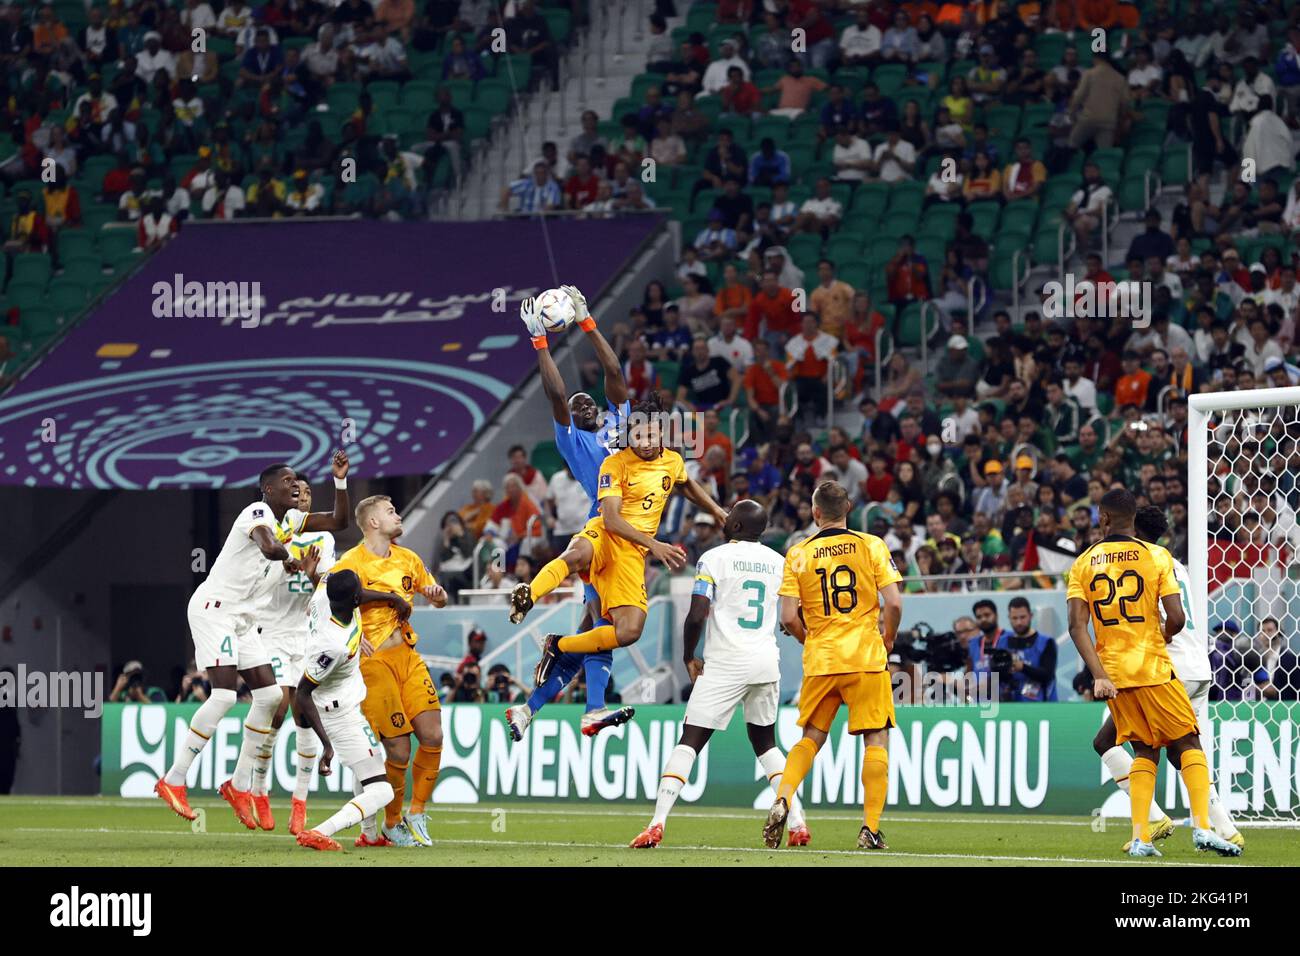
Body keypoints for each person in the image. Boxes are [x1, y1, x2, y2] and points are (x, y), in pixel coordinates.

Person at [153, 455, 352, 824]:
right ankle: (174, 778)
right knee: (226, 694)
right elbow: (269, 547)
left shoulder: (291, 520)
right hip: (215, 609)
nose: (295, 485)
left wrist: (340, 482)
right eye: (287, 481)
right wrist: (291, 558)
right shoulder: (256, 514)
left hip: (243, 619)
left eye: (298, 481)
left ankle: (239, 785)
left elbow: (338, 522)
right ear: (268, 489)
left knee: (271, 696)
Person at [1066, 488, 1240, 858]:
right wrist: (1157, 636)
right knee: (1187, 744)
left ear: (1103, 518)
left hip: (1117, 672)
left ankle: (1145, 835)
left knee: (1144, 748)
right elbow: (1176, 617)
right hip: (1167, 665)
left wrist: (1098, 673)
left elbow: (1076, 625)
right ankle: (1208, 827)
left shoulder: (1084, 562)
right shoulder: (1162, 559)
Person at [630, 500, 810, 848]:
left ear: (738, 527)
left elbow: (697, 614)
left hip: (726, 662)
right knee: (767, 745)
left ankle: (657, 823)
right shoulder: (780, 562)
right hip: (764, 662)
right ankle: (798, 824)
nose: (723, 519)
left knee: (689, 741)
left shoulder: (713, 558)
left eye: (729, 517)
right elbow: (792, 612)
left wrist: (688, 656)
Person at [507, 286, 637, 740]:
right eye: (577, 405)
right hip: (607, 529)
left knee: (596, 632)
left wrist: (588, 323)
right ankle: (591, 702)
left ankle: (530, 708)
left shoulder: (621, 424)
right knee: (604, 627)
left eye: (589, 401)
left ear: (600, 409)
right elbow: (557, 394)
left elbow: (614, 370)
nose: (582, 404)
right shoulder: (573, 442)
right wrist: (540, 342)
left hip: (630, 538)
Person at [516, 395, 727, 672]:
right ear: (630, 436)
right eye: (639, 437)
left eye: (652, 435)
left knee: (629, 632)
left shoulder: (672, 461)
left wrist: (716, 510)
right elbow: (612, 520)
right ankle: (529, 595)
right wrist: (655, 545)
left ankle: (558, 645)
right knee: (576, 555)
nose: (646, 442)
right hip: (606, 533)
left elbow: (686, 483)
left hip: (632, 553)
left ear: (660, 432)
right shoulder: (615, 464)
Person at [763, 480, 903, 851]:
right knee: (876, 738)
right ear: (849, 508)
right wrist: (887, 639)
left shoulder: (797, 554)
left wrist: (810, 640)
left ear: (815, 512)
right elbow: (895, 603)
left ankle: (783, 798)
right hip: (865, 657)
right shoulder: (870, 545)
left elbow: (789, 616)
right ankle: (870, 829)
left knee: (810, 737)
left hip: (822, 660)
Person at [331, 494, 449, 848]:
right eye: (391, 511)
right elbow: (328, 608)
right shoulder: (350, 563)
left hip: (408, 657)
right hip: (373, 665)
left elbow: (438, 598)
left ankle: (416, 812)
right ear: (372, 523)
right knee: (398, 751)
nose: (397, 515)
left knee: (433, 735)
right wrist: (352, 638)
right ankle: (391, 822)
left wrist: (437, 594)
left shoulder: (408, 559)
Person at [248, 477, 336, 834]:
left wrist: (313, 575)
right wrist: (289, 563)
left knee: (305, 714)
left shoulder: (324, 538)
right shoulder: (268, 531)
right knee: (278, 707)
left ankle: (300, 803)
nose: (302, 496)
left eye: (309, 492)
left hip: (306, 634)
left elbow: (328, 589)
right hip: (270, 629)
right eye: (295, 491)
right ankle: (258, 789)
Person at [292, 570, 395, 851]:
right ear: (354, 599)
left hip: (347, 704)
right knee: (382, 789)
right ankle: (319, 831)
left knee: (369, 770)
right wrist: (326, 745)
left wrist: (391, 599)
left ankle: (370, 836)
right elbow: (302, 693)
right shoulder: (332, 645)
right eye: (360, 592)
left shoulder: (328, 593)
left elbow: (326, 578)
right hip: (339, 713)